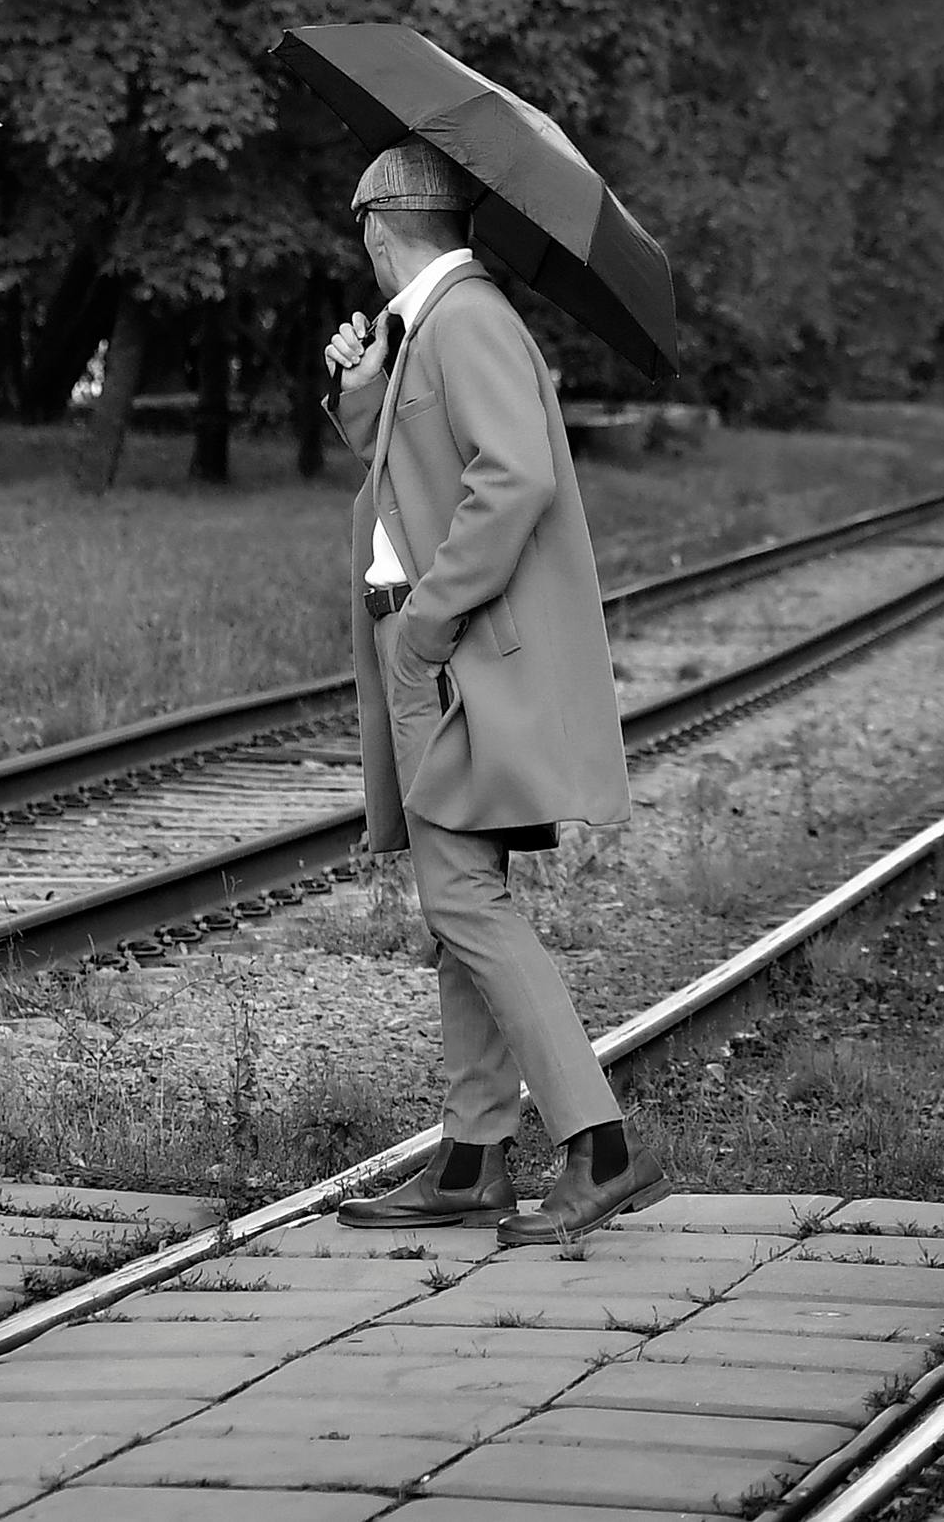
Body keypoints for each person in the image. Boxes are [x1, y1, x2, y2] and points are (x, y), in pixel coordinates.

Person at [324, 138, 664, 1243]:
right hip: (444, 657)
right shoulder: (429, 329)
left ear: (381, 223)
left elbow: (508, 479)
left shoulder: (464, 320)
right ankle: (472, 1156)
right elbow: (413, 476)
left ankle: (596, 1139)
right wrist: (361, 397)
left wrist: (423, 625)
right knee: (458, 897)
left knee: (462, 900)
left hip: (458, 658)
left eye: (360, 230)